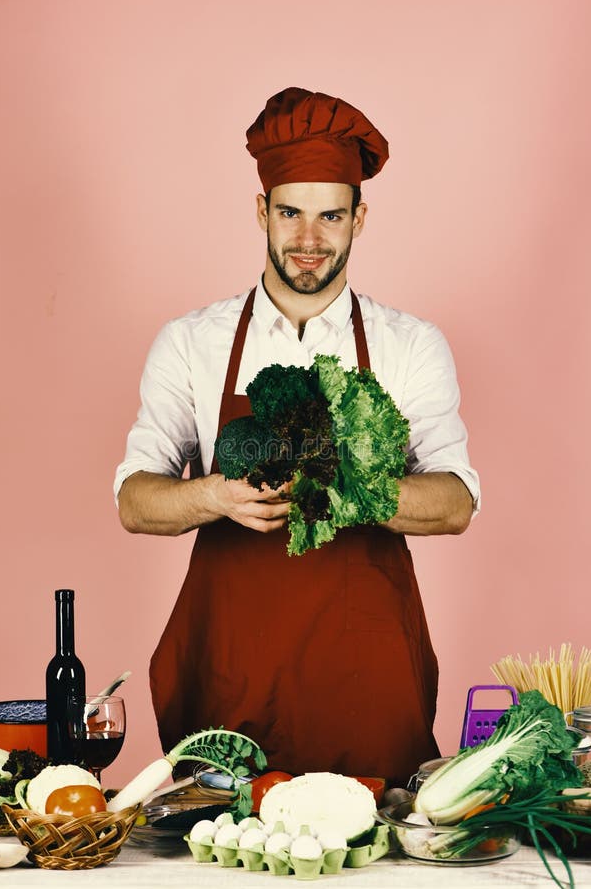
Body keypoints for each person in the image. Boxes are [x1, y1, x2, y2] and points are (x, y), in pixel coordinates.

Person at [115, 87, 480, 785]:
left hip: (366, 686)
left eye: (330, 216)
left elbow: (455, 501)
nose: (308, 240)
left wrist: (349, 488)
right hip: (228, 678)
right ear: (261, 210)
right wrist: (215, 496)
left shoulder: (410, 346)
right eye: (289, 212)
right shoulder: (192, 342)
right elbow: (135, 500)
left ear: (358, 219)